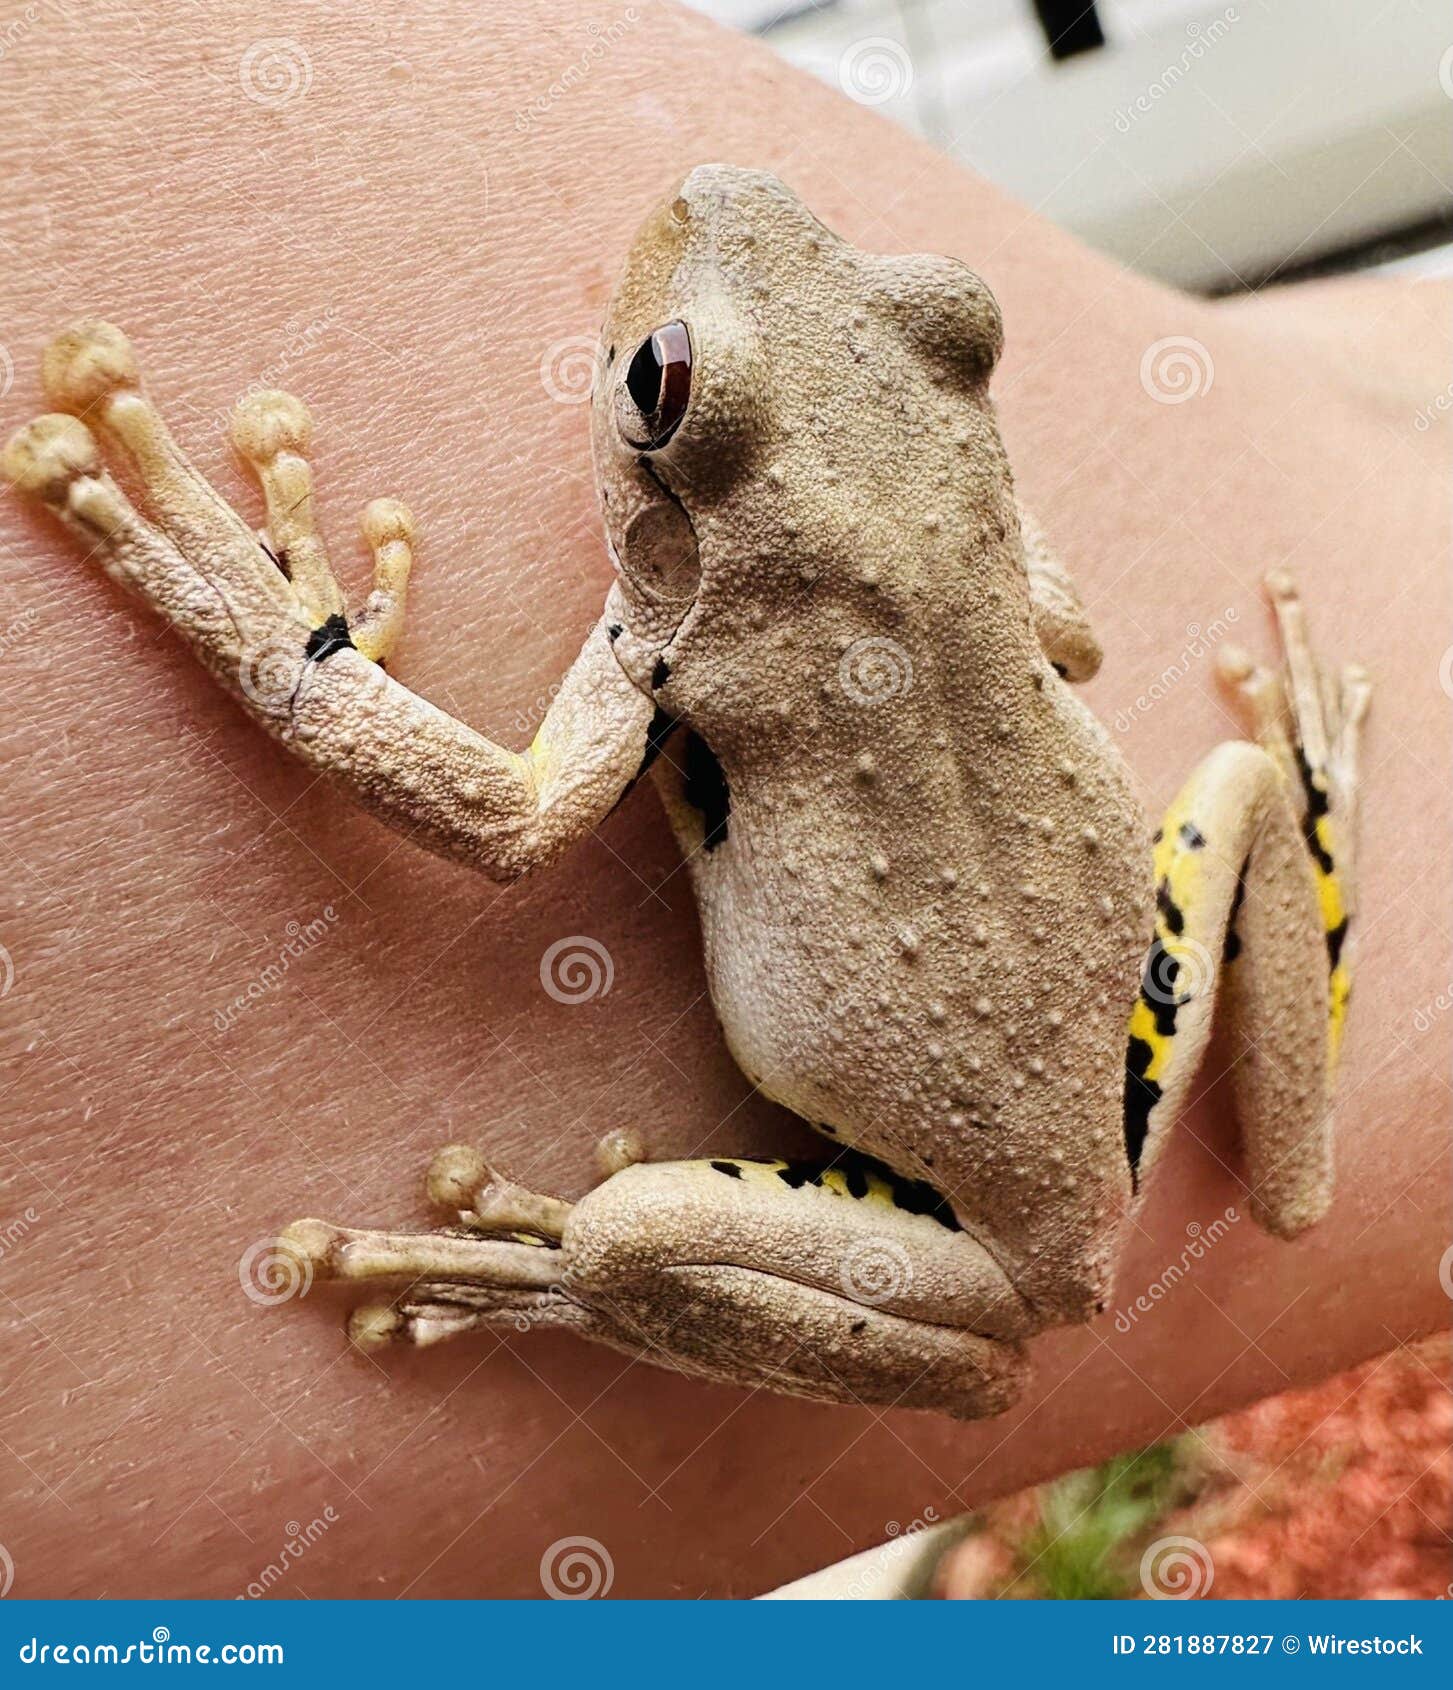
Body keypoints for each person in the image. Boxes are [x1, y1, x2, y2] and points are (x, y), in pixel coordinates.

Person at [0, 0, 1446, 1600]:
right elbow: (1076, 632)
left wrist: (292, 651)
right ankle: (1312, 807)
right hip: (1099, 1057)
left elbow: (506, 813)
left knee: (621, 1234)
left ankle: (567, 1279)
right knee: (1241, 790)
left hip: (983, 1226)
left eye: (659, 383)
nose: (719, 220)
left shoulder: (686, 620)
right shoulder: (739, 616)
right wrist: (937, 537)